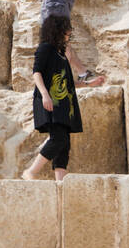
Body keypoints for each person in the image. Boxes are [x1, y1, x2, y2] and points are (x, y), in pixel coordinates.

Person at [23, 15, 85, 181]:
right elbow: (37, 73)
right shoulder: (45, 48)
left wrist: (89, 84)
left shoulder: (61, 55)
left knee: (64, 143)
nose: (69, 33)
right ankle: (31, 171)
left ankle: (60, 181)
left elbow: (67, 82)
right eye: (66, 29)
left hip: (62, 104)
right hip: (49, 100)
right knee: (58, 138)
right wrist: (44, 94)